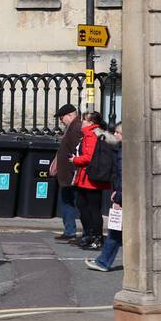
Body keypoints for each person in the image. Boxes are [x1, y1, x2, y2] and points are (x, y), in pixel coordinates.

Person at [69, 110, 111, 250]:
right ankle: (90, 235)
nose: (82, 123)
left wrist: (75, 159)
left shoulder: (92, 134)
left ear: (92, 123)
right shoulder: (90, 133)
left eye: (85, 120)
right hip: (86, 177)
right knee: (82, 205)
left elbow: (89, 157)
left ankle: (96, 238)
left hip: (91, 178)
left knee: (92, 208)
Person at [87, 122, 124, 272]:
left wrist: (119, 198)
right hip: (121, 193)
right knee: (118, 231)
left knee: (115, 231)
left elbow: (124, 176)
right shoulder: (122, 149)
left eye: (117, 133)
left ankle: (103, 262)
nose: (115, 135)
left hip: (123, 197)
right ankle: (103, 261)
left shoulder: (124, 152)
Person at [50, 103, 82, 243]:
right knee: (67, 201)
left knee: (79, 203)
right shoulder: (72, 127)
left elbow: (78, 151)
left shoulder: (76, 127)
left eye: (62, 118)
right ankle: (69, 231)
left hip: (72, 173)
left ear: (70, 115)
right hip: (67, 174)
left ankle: (85, 234)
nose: (61, 121)